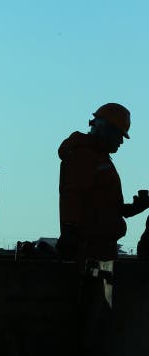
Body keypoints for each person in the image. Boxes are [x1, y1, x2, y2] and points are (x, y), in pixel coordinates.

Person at [56, 103, 149, 353]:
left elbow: (104, 206)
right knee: (91, 315)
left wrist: (133, 208)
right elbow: (72, 195)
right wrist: (69, 231)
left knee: (99, 314)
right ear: (103, 128)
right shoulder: (84, 156)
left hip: (103, 251)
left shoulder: (99, 158)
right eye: (119, 135)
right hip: (92, 251)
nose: (121, 142)